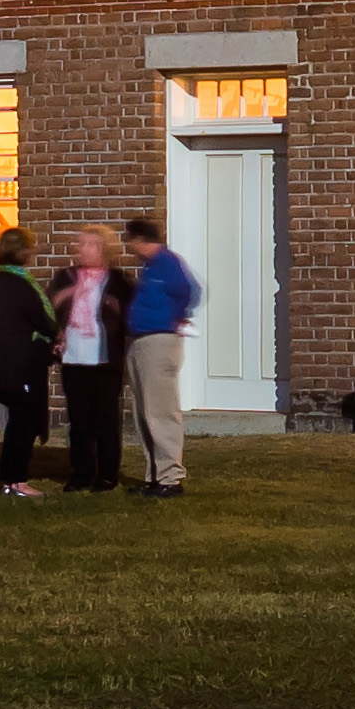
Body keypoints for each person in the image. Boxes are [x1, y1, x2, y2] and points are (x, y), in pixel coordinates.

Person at [120, 214, 201, 499]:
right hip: (141, 341)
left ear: (141, 240)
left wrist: (176, 318)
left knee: (161, 410)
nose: (129, 247)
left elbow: (190, 291)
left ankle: (170, 477)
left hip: (159, 341)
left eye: (130, 241)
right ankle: (154, 475)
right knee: (143, 411)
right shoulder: (150, 266)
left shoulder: (167, 263)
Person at [52, 226, 127, 494]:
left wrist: (113, 307)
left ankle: (107, 475)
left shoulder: (118, 280)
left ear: (104, 249)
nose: (81, 249)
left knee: (106, 421)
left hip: (105, 358)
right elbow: (51, 307)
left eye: (89, 245)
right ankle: (80, 473)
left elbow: (126, 315)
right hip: (74, 357)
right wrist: (67, 296)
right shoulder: (66, 277)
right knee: (79, 421)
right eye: (80, 244)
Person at [0, 230, 55, 497]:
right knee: (22, 422)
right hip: (21, 362)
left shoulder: (7, 279)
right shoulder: (11, 282)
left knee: (21, 420)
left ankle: (13, 479)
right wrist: (54, 330)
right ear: (22, 250)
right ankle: (16, 481)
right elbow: (38, 316)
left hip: (18, 360)